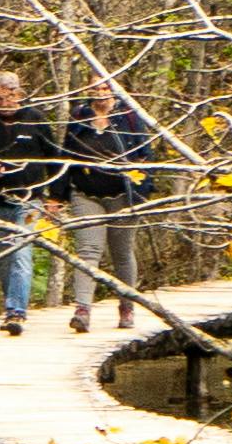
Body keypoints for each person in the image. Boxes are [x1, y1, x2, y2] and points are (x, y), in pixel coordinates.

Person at [0, 69, 71, 334]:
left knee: (21, 256)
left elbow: (54, 159)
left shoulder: (35, 120)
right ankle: (9, 305)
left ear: (19, 93)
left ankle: (16, 312)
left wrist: (57, 197)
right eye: (0, 98)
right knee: (4, 259)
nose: (5, 103)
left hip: (29, 200)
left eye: (10, 96)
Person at [56, 78, 161, 323]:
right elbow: (66, 157)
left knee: (121, 253)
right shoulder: (79, 116)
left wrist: (142, 191)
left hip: (123, 195)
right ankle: (82, 310)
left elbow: (146, 156)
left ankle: (127, 306)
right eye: (96, 89)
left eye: (106, 89)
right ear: (88, 92)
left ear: (114, 92)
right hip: (86, 193)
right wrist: (56, 195)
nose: (101, 93)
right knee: (88, 251)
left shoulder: (128, 117)